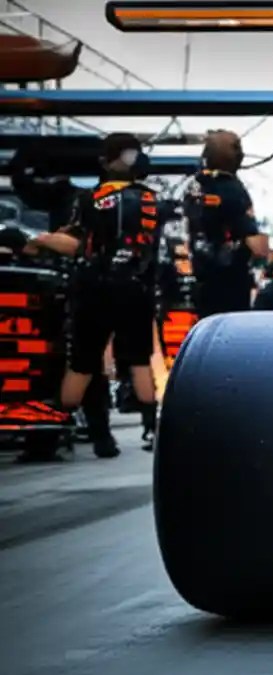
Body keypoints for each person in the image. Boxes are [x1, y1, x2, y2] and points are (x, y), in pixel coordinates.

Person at [23, 133, 161, 455]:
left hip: (95, 290)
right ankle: (153, 428)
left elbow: (74, 244)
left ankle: (52, 430)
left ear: (105, 161)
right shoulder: (155, 200)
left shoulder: (89, 199)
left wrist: (41, 240)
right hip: (137, 289)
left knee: (83, 363)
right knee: (140, 361)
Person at [187, 130, 270, 318]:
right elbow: (255, 243)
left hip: (202, 277)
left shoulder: (196, 186)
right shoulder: (232, 190)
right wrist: (266, 255)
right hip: (230, 281)